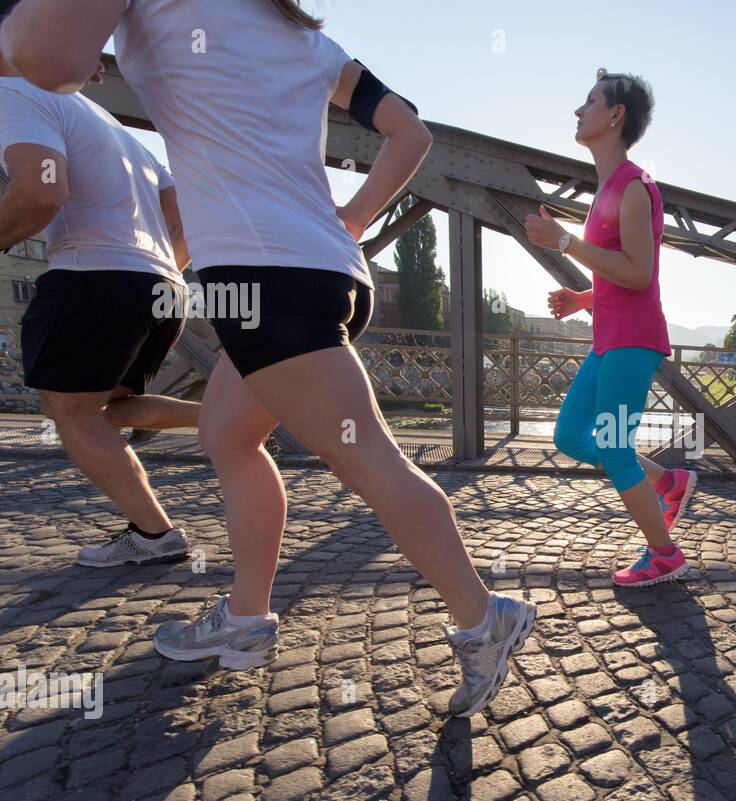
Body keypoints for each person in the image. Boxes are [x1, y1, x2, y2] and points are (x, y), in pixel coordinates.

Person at [6, 0, 538, 717]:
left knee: (370, 459)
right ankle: (246, 619)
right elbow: (409, 131)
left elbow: (50, 61)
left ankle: (484, 616)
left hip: (265, 277)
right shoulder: (303, 35)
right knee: (230, 434)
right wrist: (353, 218)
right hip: (329, 269)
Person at [0, 0, 197, 568]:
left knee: (72, 414)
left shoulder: (13, 95)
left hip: (93, 277)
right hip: (160, 284)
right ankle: (245, 417)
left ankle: (155, 534)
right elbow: (183, 219)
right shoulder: (115, 127)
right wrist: (154, 273)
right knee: (112, 408)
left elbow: (39, 192)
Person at [525, 69, 697, 588]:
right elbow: (619, 271)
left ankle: (665, 555)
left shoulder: (634, 186)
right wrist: (585, 297)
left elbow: (641, 273)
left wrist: (563, 243)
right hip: (609, 337)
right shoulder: (605, 190)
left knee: (614, 444)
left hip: (634, 339)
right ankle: (668, 481)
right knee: (572, 437)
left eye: (590, 102)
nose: (579, 111)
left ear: (616, 115)